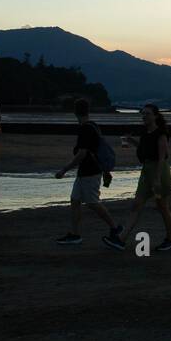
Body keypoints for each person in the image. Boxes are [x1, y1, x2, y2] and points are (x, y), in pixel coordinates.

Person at [54, 99, 123, 247]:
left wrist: (64, 170)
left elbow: (82, 154)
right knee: (75, 200)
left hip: (90, 171)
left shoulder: (86, 129)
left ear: (75, 112)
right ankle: (75, 234)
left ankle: (114, 227)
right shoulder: (93, 126)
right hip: (87, 171)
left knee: (92, 202)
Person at [118, 103, 171, 251]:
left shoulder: (160, 133)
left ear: (155, 116)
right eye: (143, 114)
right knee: (137, 204)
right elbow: (144, 148)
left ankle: (170, 239)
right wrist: (131, 141)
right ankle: (121, 239)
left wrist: (157, 179)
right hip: (146, 172)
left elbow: (162, 157)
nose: (144, 116)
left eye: (147, 114)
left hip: (159, 171)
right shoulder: (145, 133)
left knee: (162, 206)